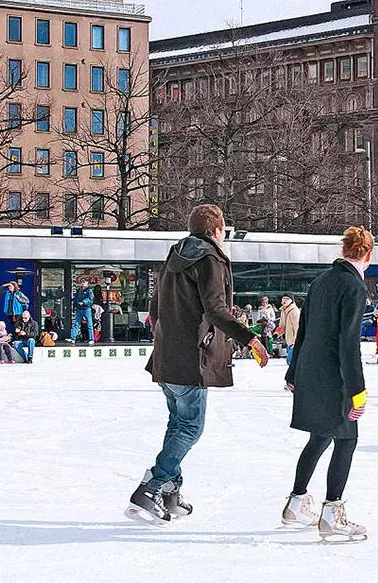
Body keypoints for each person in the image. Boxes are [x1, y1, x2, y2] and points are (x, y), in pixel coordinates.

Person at [128, 204, 269, 525]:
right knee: (191, 427)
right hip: (192, 359)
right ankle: (150, 488)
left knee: (178, 424)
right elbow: (217, 310)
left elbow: (155, 308)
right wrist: (251, 339)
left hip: (167, 357)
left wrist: (167, 338)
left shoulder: (174, 256)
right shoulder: (210, 259)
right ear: (218, 231)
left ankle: (170, 491)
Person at [281, 226, 373, 542]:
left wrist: (293, 374)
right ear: (367, 256)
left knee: (319, 438)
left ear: (344, 250)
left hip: (310, 372)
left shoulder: (319, 283)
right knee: (345, 440)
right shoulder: (354, 287)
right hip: (336, 378)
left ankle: (295, 503)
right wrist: (357, 392)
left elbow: (302, 332)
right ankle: (332, 514)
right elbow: (349, 344)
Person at [277, 294, 301, 365]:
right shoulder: (283, 311)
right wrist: (277, 333)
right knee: (290, 362)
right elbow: (282, 325)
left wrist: (296, 341)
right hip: (289, 341)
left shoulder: (294, 311)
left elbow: (297, 327)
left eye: (286, 299)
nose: (284, 300)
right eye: (283, 299)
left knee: (290, 361)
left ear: (291, 301)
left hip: (294, 341)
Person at [69, 279, 95, 344]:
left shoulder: (89, 290)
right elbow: (76, 298)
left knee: (89, 324)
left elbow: (90, 299)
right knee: (76, 324)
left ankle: (91, 339)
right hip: (79, 309)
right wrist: (74, 303)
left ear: (87, 283)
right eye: (81, 282)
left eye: (84, 282)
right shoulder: (79, 290)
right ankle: (73, 338)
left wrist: (83, 302)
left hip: (87, 309)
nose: (82, 283)